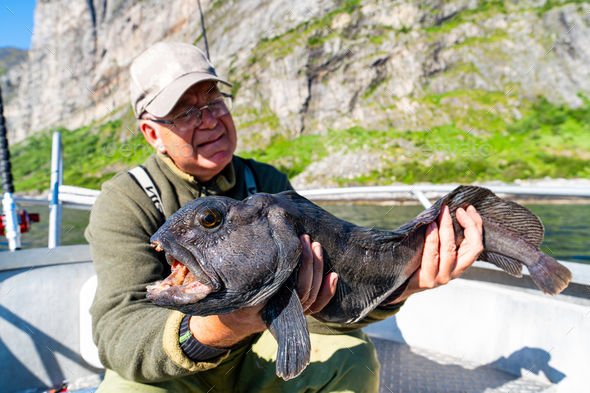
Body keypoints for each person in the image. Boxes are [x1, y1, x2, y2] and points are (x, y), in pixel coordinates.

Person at [86, 42, 484, 393]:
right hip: (174, 373)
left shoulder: (268, 185)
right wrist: (224, 326)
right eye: (184, 112)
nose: (208, 119)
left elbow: (327, 300)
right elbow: (117, 331)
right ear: (152, 133)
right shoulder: (126, 199)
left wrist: (402, 285)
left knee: (354, 361)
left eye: (214, 102)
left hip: (260, 348)